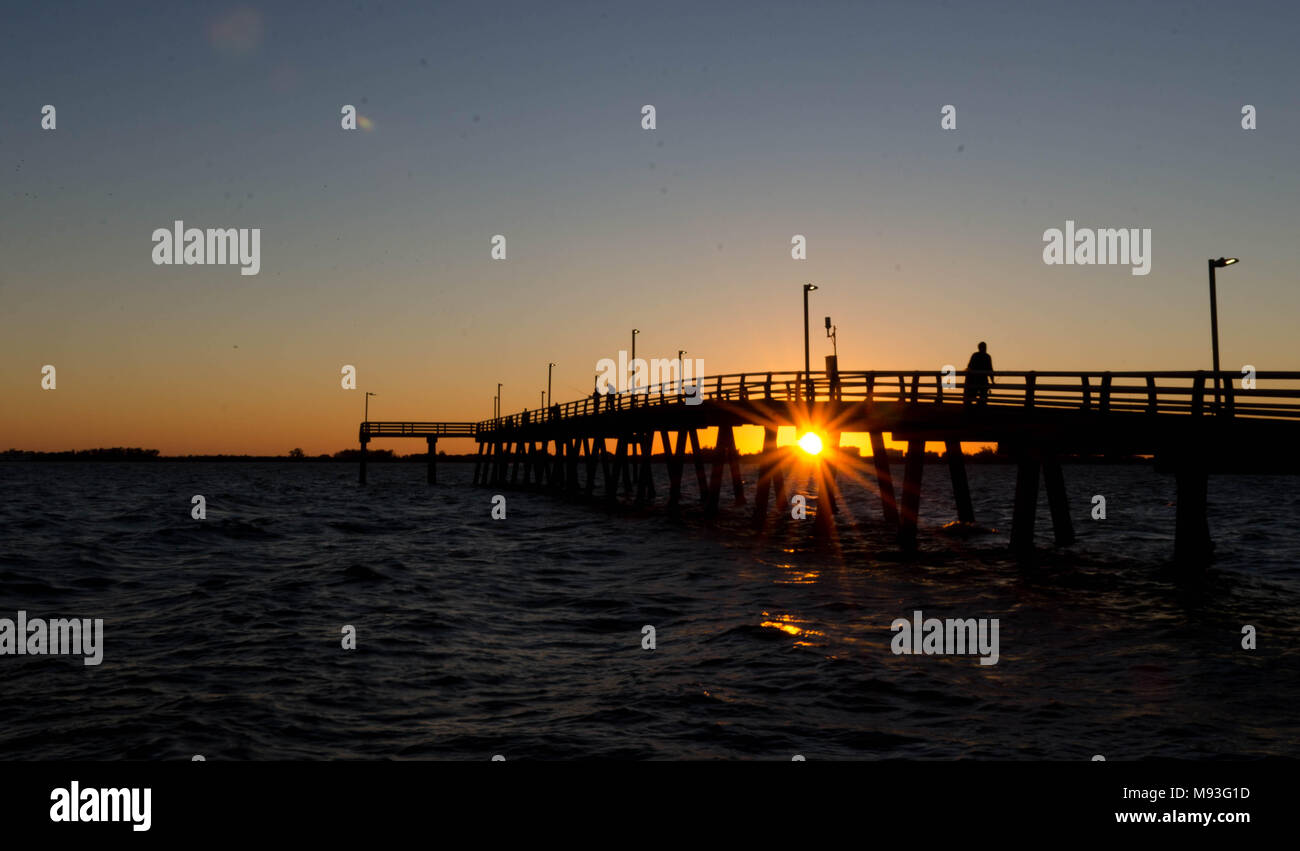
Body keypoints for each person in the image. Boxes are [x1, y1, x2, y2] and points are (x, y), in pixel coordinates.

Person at [963, 342, 994, 406]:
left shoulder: (975, 355)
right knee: (983, 396)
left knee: (970, 396)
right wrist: (992, 380)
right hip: (982, 380)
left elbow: (969, 367)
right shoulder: (987, 357)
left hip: (973, 380)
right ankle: (980, 407)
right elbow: (990, 369)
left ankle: (969, 408)